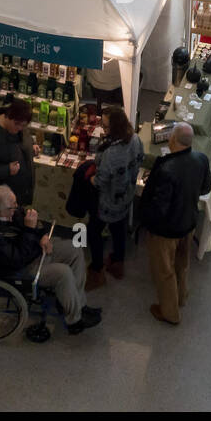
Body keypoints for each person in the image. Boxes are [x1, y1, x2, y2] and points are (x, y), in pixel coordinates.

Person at [0, 185, 102, 335]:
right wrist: (29, 230)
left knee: (74, 250)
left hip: (34, 251)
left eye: (16, 203)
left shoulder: (12, 211)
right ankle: (75, 320)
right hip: (19, 269)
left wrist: (42, 235)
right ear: (1, 211)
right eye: (13, 206)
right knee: (64, 272)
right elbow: (16, 260)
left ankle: (78, 304)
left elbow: (36, 223)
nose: (17, 207)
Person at [141, 123, 210, 325]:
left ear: (172, 140)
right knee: (182, 263)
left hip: (165, 231)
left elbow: (158, 208)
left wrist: (148, 224)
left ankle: (170, 313)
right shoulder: (201, 159)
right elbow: (205, 189)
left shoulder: (165, 168)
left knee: (164, 271)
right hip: (188, 223)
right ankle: (181, 296)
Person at [85, 107, 144, 289]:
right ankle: (118, 262)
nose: (104, 129)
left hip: (108, 202)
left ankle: (97, 270)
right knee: (119, 228)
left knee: (93, 232)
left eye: (106, 126)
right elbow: (140, 159)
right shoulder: (135, 139)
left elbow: (100, 182)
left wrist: (90, 177)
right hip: (126, 196)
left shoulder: (111, 153)